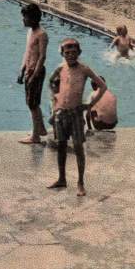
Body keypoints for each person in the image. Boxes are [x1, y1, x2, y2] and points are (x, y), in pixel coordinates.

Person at [47, 38, 107, 197]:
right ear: (62, 54)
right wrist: (54, 100)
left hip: (75, 113)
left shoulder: (84, 69)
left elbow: (102, 86)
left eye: (74, 52)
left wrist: (89, 104)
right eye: (67, 53)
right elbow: (51, 83)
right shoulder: (60, 68)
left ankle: (80, 182)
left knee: (78, 147)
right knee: (61, 146)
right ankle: (61, 178)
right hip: (61, 112)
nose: (71, 55)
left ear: (79, 53)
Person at [19, 4, 49, 145]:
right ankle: (41, 129)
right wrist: (22, 69)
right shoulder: (30, 32)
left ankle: (35, 136)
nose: (23, 20)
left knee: (33, 104)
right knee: (31, 102)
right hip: (29, 70)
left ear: (32, 19)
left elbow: (42, 57)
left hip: (36, 71)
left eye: (24, 17)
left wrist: (34, 75)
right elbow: (28, 52)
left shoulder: (41, 34)